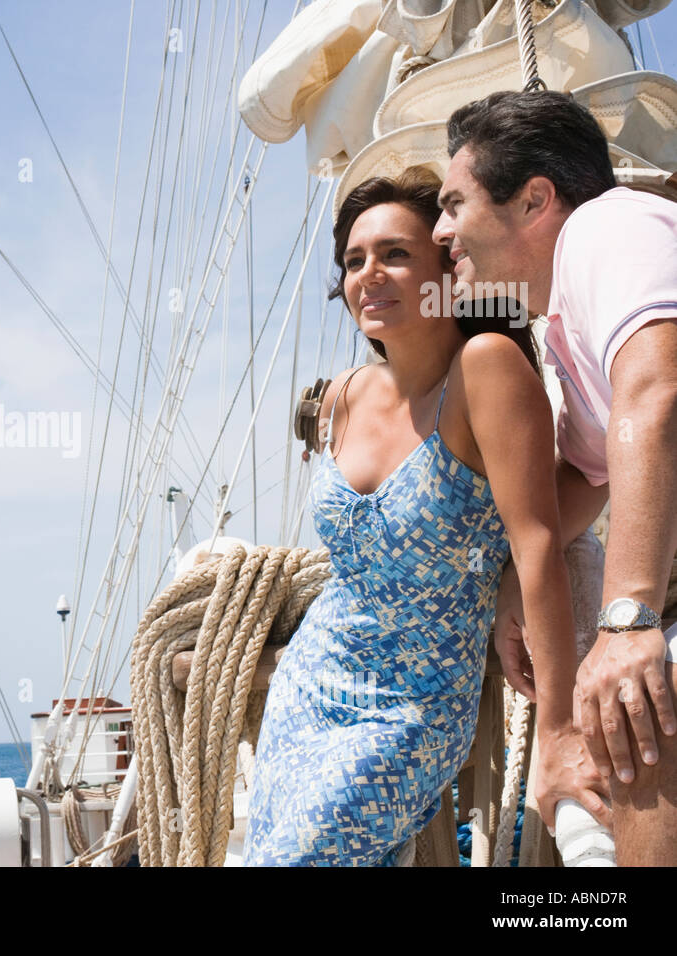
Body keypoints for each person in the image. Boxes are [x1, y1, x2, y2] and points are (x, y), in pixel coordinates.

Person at [243, 167, 592, 864]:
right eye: (354, 261)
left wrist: (555, 729)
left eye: (395, 253)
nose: (369, 274)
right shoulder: (341, 396)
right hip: (308, 685)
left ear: (449, 269)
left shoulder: (485, 370)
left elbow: (537, 542)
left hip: (411, 711)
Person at [435, 89, 677, 865]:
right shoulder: (565, 321)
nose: (441, 232)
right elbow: (587, 475)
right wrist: (514, 580)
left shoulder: (609, 228)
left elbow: (656, 391)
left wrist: (628, 623)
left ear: (535, 200)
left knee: (637, 708)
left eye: (454, 204)